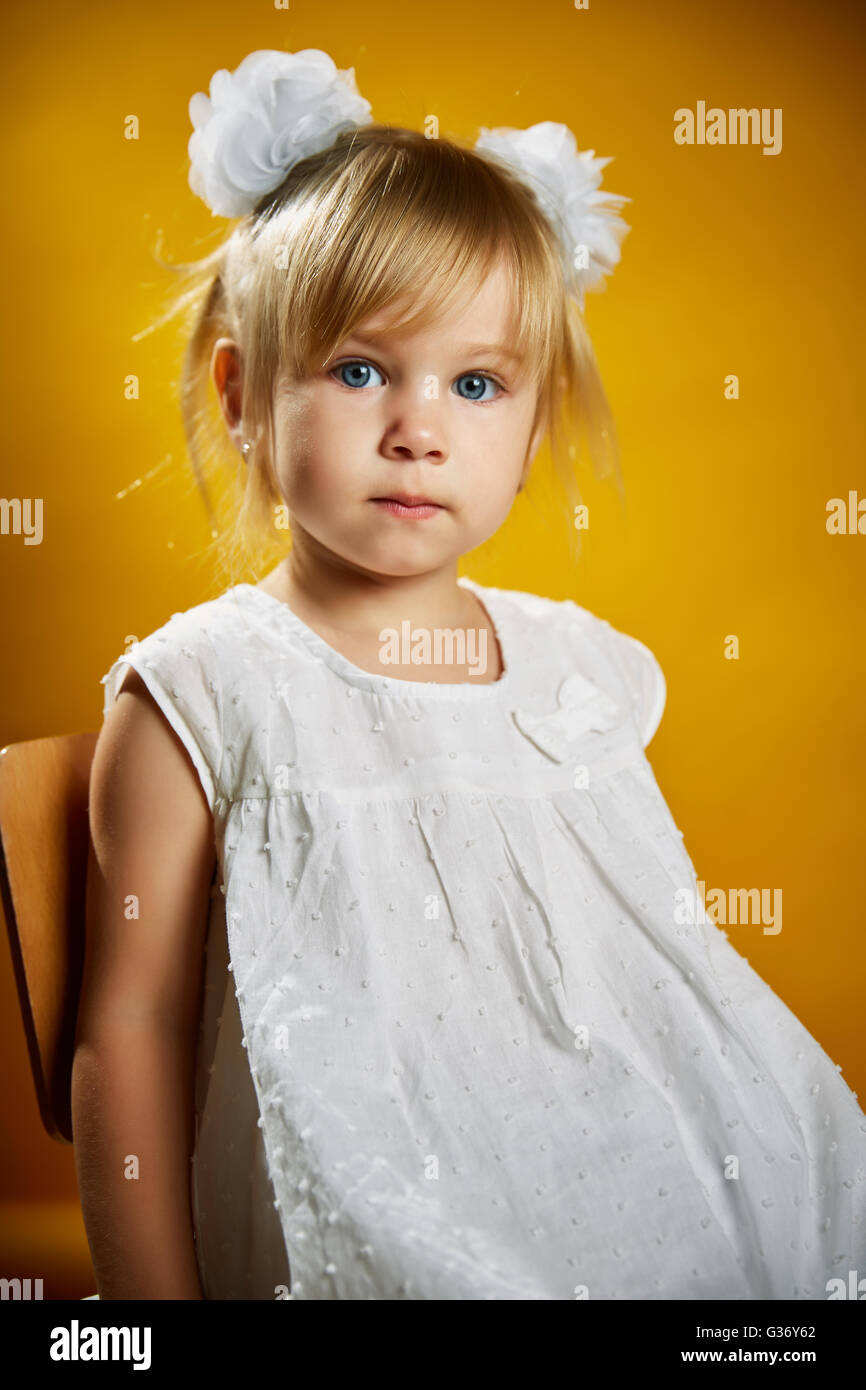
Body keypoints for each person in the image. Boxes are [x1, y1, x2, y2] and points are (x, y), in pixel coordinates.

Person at [72, 48, 866, 1301]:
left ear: (532, 423)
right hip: (383, 1225)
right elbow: (132, 1030)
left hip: (607, 1178)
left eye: (476, 382)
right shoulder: (204, 693)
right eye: (356, 369)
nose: (418, 427)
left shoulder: (569, 673)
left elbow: (652, 980)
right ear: (239, 394)